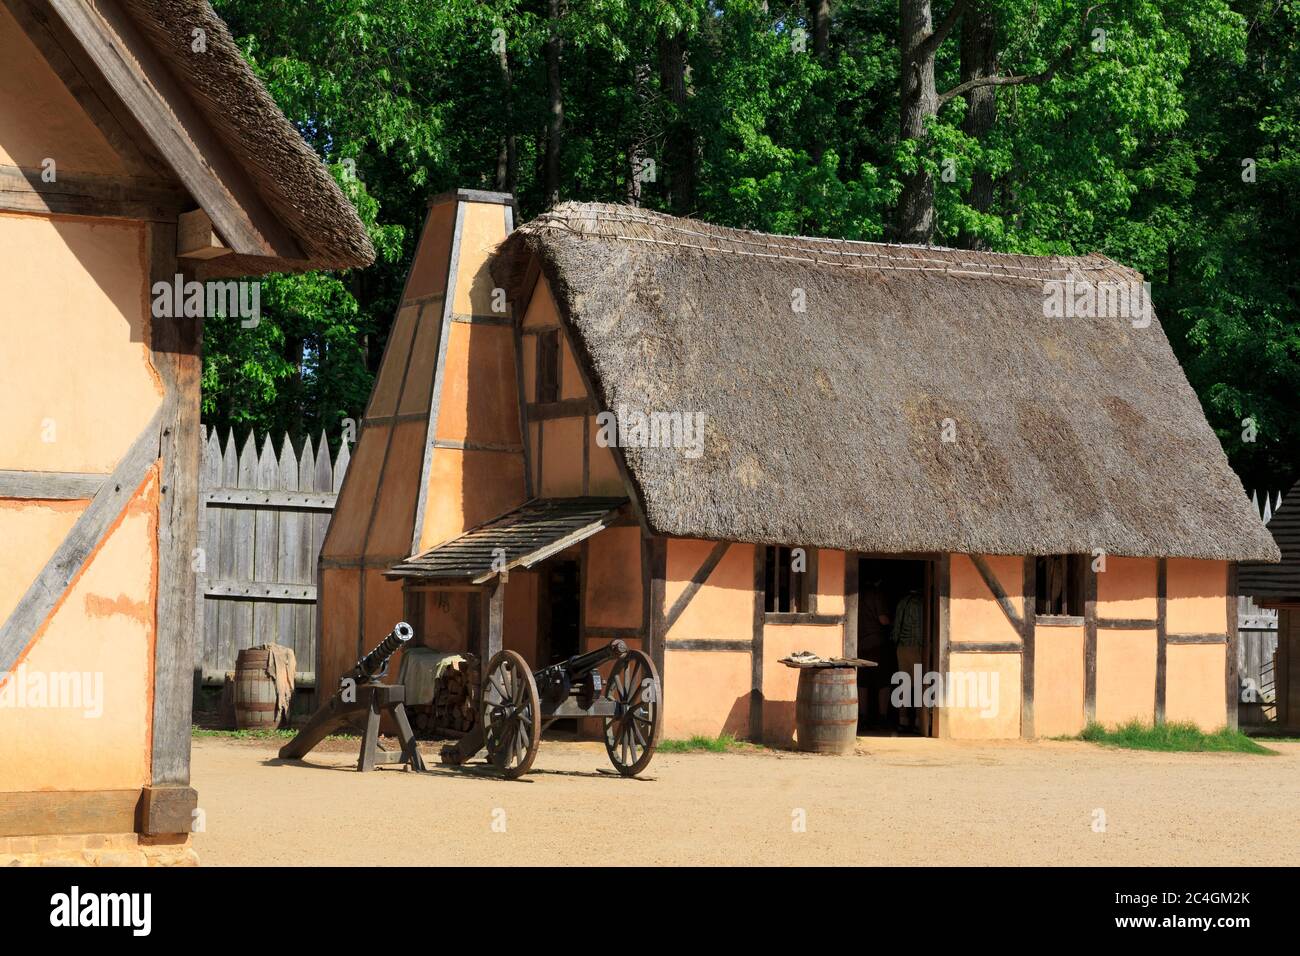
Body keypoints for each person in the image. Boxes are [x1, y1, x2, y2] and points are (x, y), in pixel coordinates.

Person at [891, 587, 924, 732]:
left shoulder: (901, 602)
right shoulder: (920, 604)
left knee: (904, 683)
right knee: (920, 684)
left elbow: (896, 628)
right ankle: (918, 720)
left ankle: (903, 720)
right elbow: (920, 631)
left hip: (901, 647)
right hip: (916, 647)